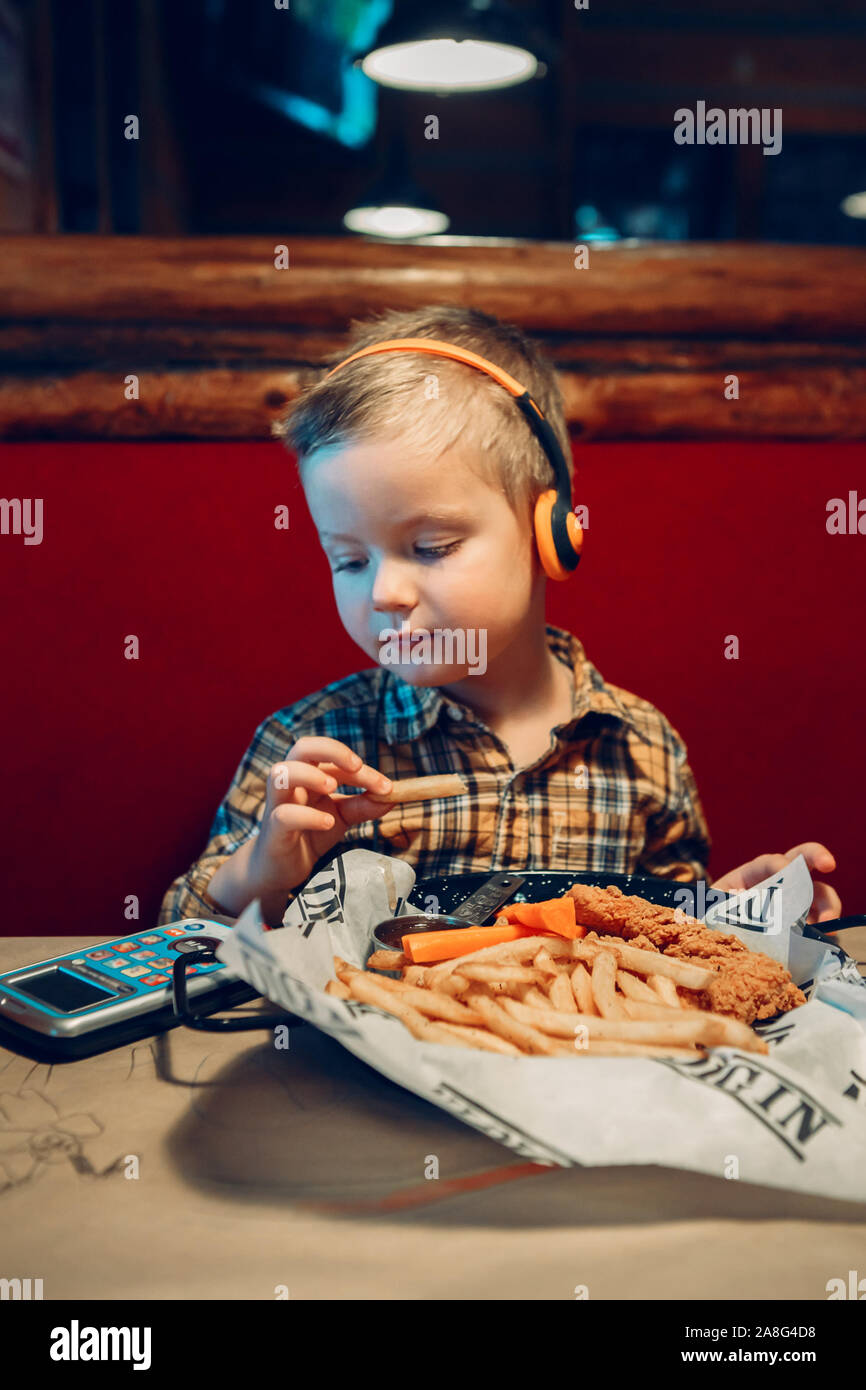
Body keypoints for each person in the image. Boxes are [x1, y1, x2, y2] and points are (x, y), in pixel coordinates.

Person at [158, 305, 841, 929]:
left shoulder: (643, 749)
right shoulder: (308, 747)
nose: (385, 592)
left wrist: (736, 914)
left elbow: (664, 932)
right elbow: (178, 939)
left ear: (553, 533)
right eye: (349, 560)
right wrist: (261, 872)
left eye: (431, 547)